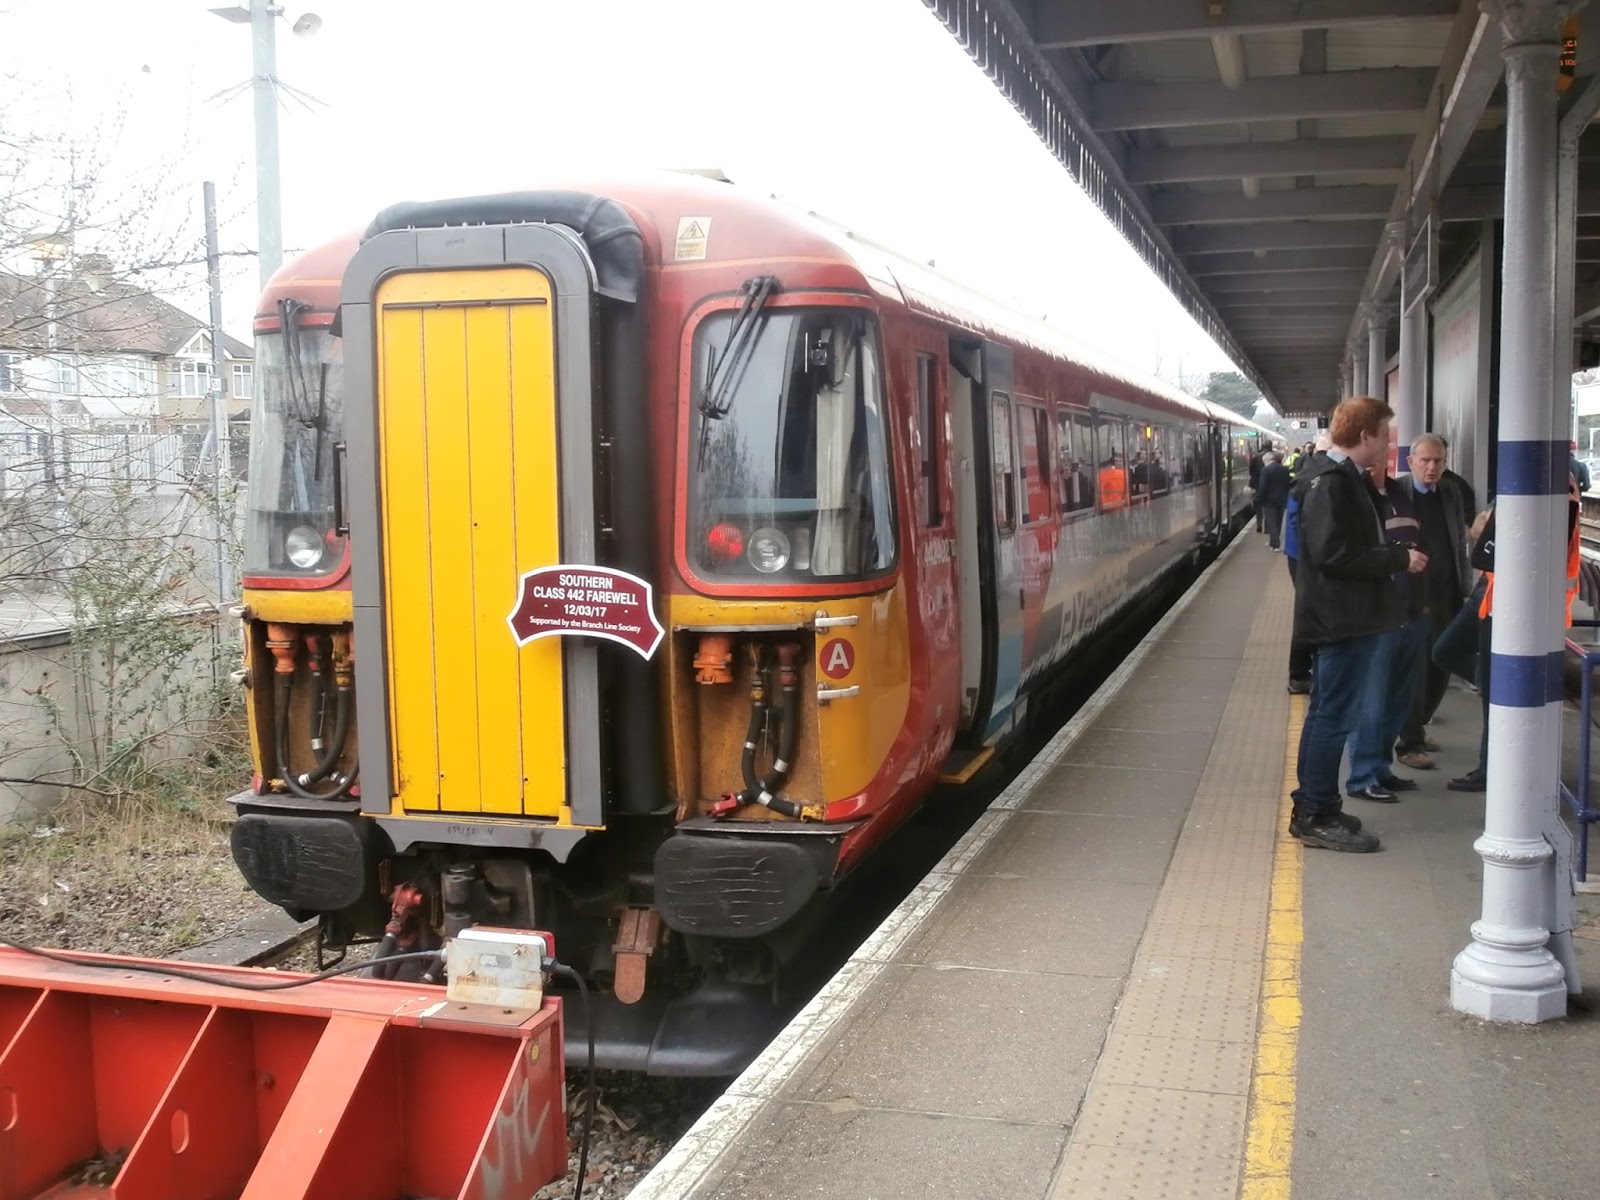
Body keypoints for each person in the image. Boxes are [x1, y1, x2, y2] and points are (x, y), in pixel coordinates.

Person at [1288, 396, 1426, 852]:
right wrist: (1397, 558)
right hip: (1342, 618)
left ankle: (1316, 804)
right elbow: (1333, 553)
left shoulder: (1340, 478)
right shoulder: (1332, 483)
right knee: (1333, 717)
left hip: (1342, 616)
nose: (1388, 444)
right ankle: (1315, 813)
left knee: (1328, 713)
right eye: (1384, 434)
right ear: (1364, 436)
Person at [1343, 462, 1428, 802]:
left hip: (1411, 612)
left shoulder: (1400, 495)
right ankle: (1361, 775)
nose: (1377, 461)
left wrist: (1425, 604)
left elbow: (1425, 544)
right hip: (1375, 617)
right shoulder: (1351, 499)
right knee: (1371, 703)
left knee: (1397, 700)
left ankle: (1380, 768)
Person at [1391, 433, 1473, 770]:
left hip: (1448, 590)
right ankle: (1407, 743)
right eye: (1425, 460)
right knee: (1415, 669)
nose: (1432, 467)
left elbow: (1459, 543)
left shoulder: (1452, 492)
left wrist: (1464, 585)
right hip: (1415, 597)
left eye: (1438, 460)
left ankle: (1419, 727)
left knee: (1442, 663)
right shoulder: (1398, 492)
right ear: (1410, 462)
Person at [1281, 433, 1331, 693]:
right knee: (1307, 611)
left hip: (1299, 554)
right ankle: (1298, 674)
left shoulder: (1307, 473)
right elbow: (1298, 522)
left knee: (1307, 611)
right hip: (1303, 556)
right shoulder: (1317, 477)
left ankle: (1302, 672)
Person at [1257, 451, 1292, 551]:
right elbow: (1288, 484)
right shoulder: (1285, 469)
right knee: (1278, 521)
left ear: (1267, 460)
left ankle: (1275, 544)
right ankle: (1273, 542)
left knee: (1271, 521)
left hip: (1269, 500)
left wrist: (1260, 499)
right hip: (1282, 499)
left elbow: (1262, 486)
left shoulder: (1265, 470)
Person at [1249, 446, 1266, 530]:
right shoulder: (1275, 456)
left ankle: (1259, 524)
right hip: (1270, 487)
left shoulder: (1256, 457)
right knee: (1269, 507)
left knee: (1259, 506)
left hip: (1258, 485)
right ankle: (1267, 526)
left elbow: (1251, 470)